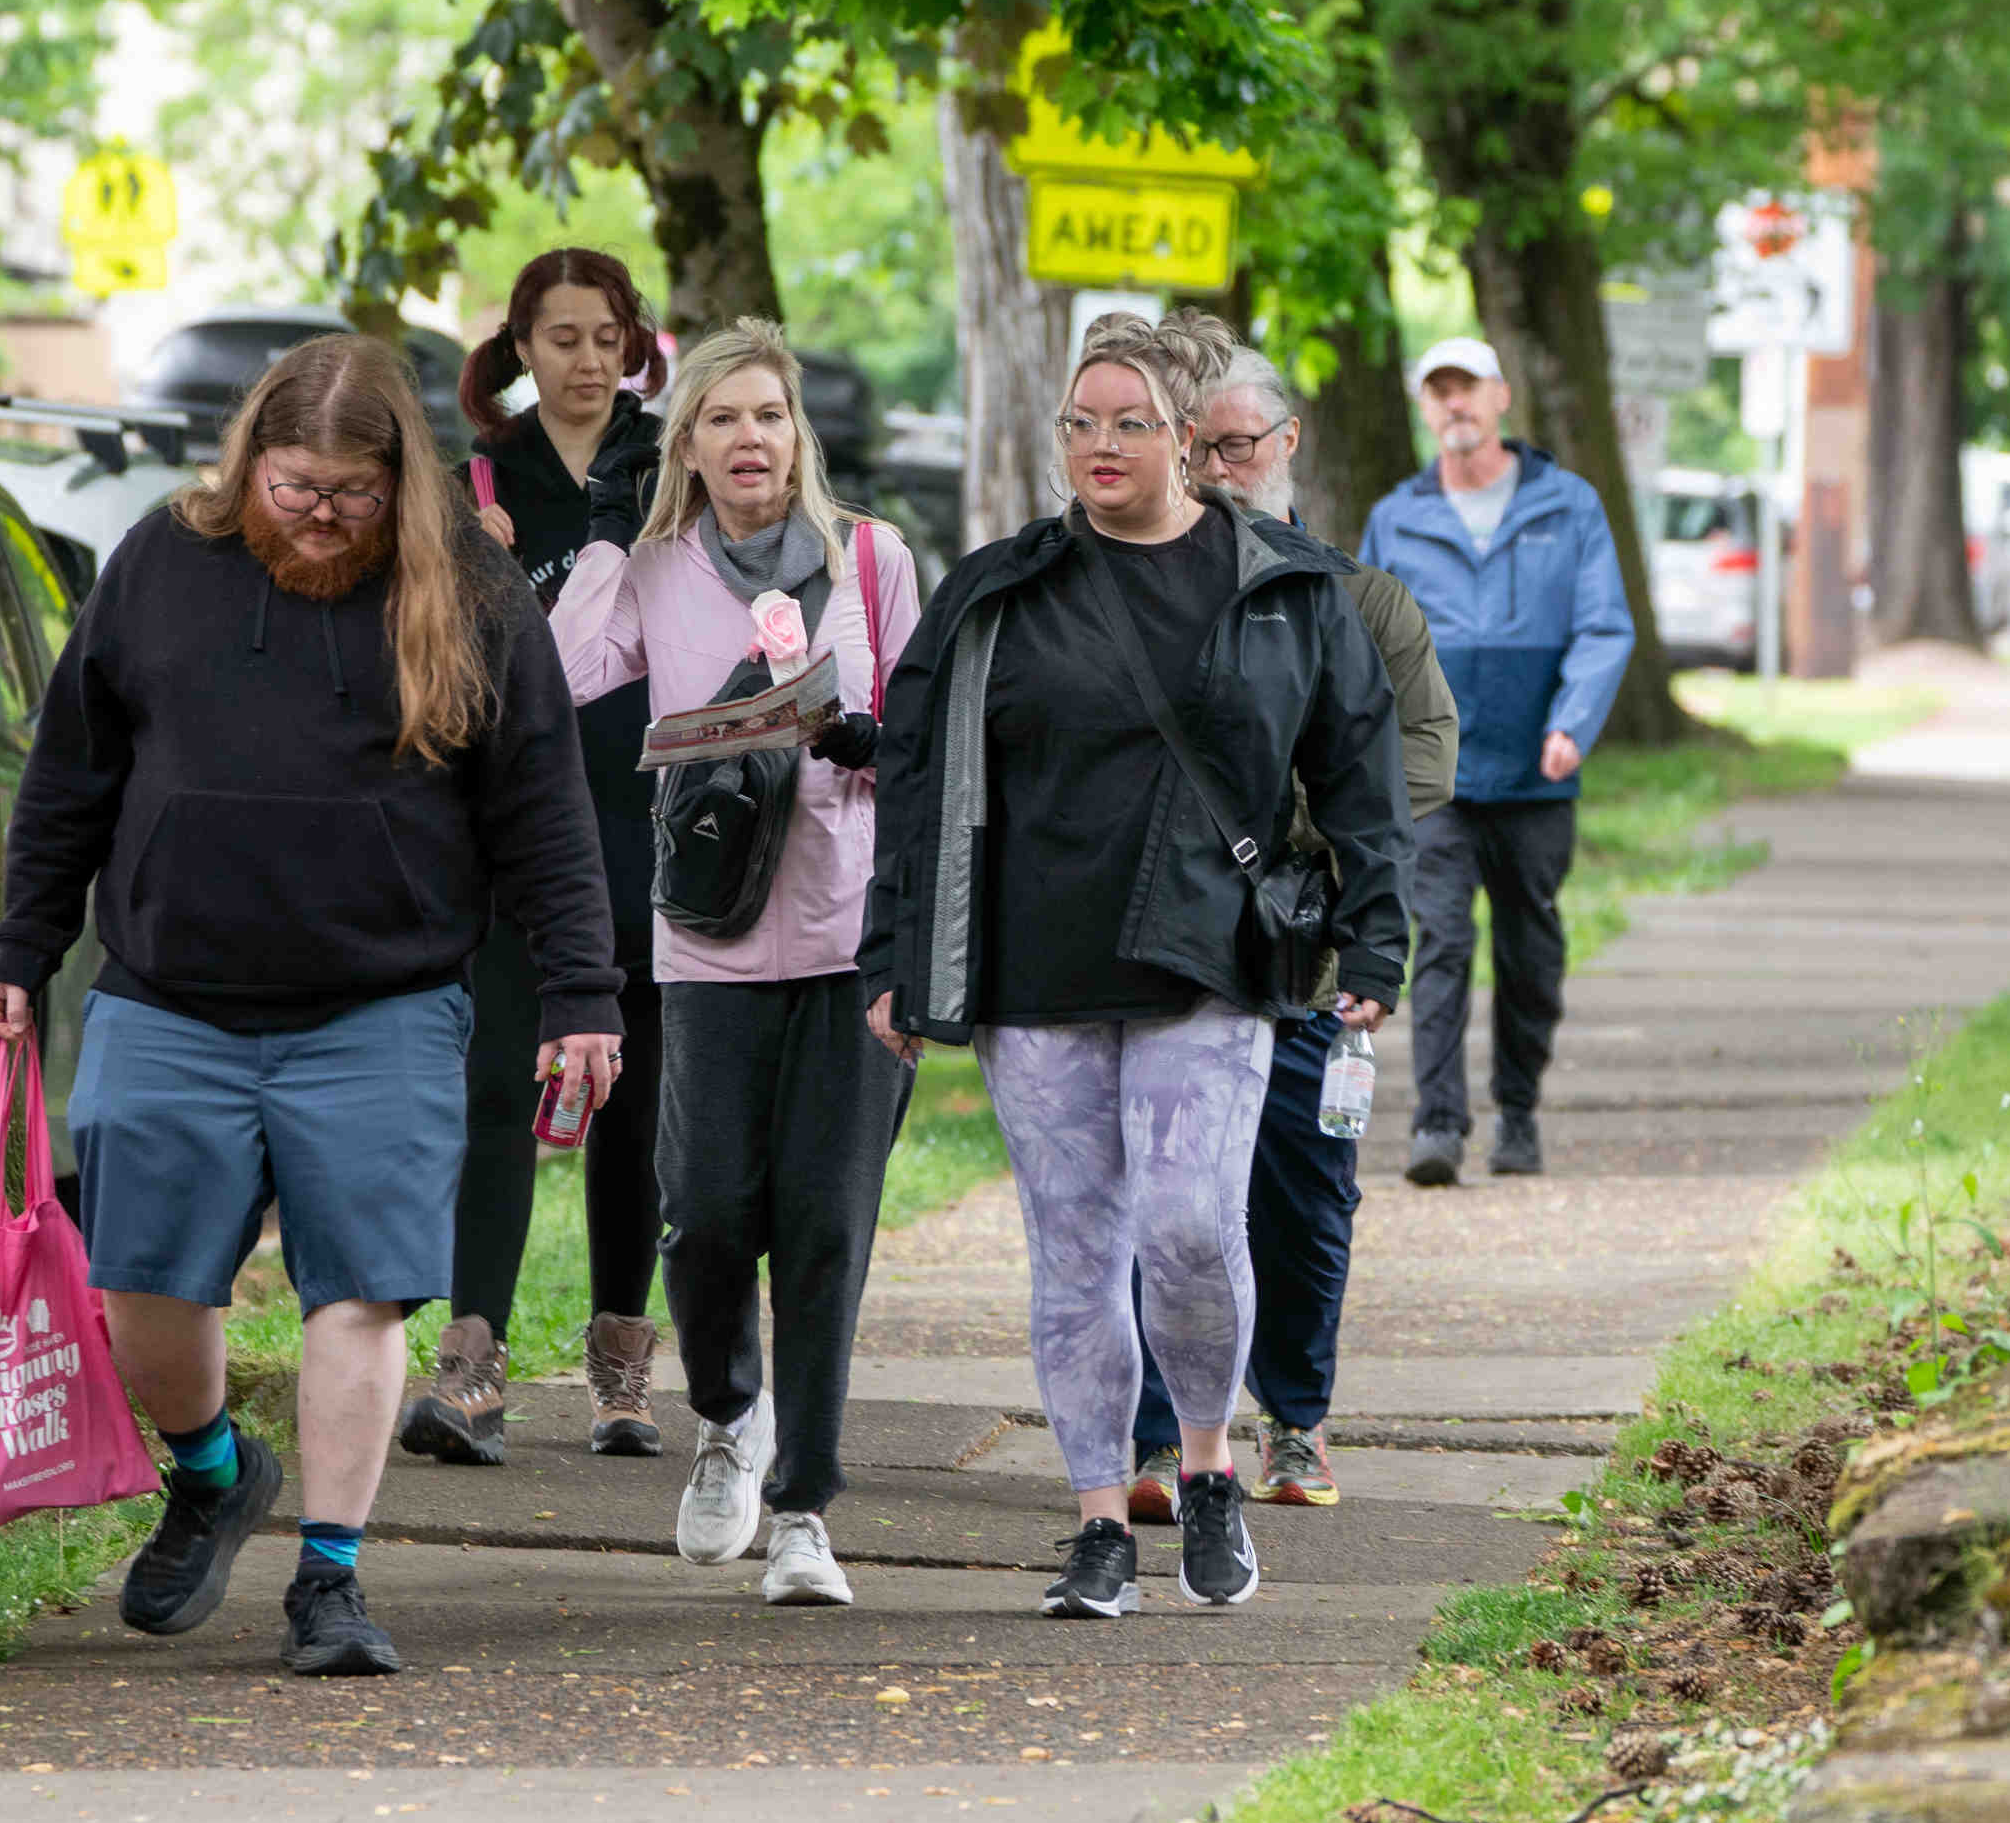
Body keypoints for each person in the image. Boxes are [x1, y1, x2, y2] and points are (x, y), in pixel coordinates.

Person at [0, 332, 624, 1679]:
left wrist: (581, 989)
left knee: (364, 1295)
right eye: (295, 491)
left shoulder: (470, 588)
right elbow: (73, 771)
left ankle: (329, 1579)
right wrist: (20, 946)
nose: (323, 522)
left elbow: (543, 810)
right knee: (138, 1285)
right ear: (248, 467)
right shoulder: (165, 561)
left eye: (352, 496)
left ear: (404, 482)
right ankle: (215, 1473)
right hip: (169, 994)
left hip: (380, 1004)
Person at [861, 310, 1411, 1618]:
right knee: (1071, 1244)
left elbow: (1358, 774)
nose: (1098, 445)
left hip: (1207, 951)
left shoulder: (1282, 587)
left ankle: (1211, 1467)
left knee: (1184, 1226)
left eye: (1128, 423)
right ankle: (1098, 1517)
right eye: (1078, 423)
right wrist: (893, 953)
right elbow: (915, 772)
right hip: (1034, 953)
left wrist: (1373, 933)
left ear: (1186, 440)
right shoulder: (997, 588)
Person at [551, 318, 923, 1609]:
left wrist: (873, 740)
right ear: (688, 447)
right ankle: (725, 1420)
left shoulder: (871, 558)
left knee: (823, 1227)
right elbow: (561, 674)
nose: (748, 439)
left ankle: (805, 1511)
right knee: (706, 1216)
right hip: (705, 946)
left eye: (766, 415)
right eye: (720, 420)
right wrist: (602, 536)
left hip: (844, 939)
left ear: (795, 432)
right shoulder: (654, 565)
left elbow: (926, 745)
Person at [1104, 346, 1460, 1523]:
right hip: (1174, 951)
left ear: (1289, 440)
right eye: (1196, 448)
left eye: (1235, 446)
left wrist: (1301, 837)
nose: (1215, 469)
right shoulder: (1148, 592)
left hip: (1300, 959)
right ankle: (1155, 1438)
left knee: (1304, 1194)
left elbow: (1420, 758)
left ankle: (1294, 1422)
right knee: (1167, 1200)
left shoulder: (1360, 600)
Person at [398, 248, 672, 1467]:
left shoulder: (671, 468)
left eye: (607, 335)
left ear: (634, 341)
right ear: (518, 347)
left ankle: (622, 1364)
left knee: (635, 1104)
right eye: (561, 337)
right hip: (515, 830)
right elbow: (420, 657)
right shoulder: (472, 479)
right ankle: (472, 1359)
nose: (588, 360)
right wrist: (462, 566)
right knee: (498, 1087)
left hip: (657, 822)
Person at [1358, 338, 1635, 1186]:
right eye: (1438, 392)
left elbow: (1603, 628)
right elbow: (1364, 643)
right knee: (1438, 940)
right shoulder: (1397, 517)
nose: (1455, 406)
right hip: (1435, 777)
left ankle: (1518, 1109)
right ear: (1425, 406)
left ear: (1500, 397)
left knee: (1530, 950)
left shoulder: (1568, 506)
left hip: (1536, 771)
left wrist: (1572, 722)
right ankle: (1437, 1124)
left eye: (1467, 389)